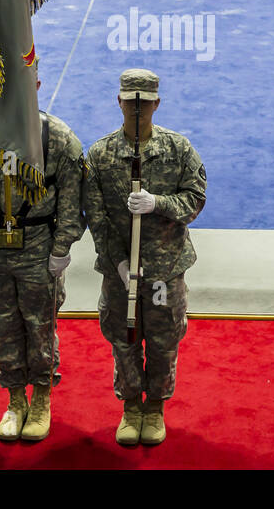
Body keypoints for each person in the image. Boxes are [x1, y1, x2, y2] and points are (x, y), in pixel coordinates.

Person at [0, 57, 84, 441]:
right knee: (3, 328)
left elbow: (72, 202)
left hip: (37, 249)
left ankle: (41, 397)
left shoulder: (57, 137)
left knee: (40, 327)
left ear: (38, 87)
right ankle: (15, 399)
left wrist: (61, 248)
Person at [85, 69, 206, 447]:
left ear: (157, 103)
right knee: (124, 338)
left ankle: (154, 407)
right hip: (122, 271)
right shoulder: (101, 154)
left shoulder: (178, 149)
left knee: (162, 339)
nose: (137, 109)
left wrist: (159, 204)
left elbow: (194, 200)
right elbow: (96, 215)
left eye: (144, 102)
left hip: (163, 270)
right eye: (130, 102)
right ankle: (131, 406)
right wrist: (118, 262)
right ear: (118, 102)